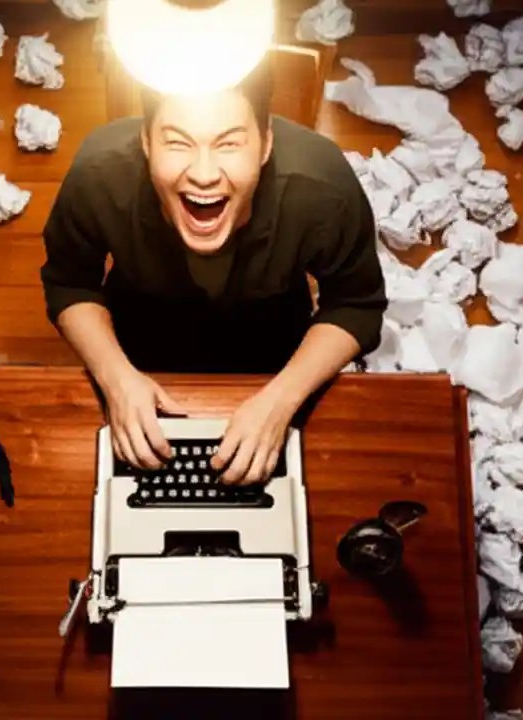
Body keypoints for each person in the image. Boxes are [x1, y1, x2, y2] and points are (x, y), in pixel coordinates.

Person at [40, 54, 386, 485]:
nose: (204, 175)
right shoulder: (99, 173)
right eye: (178, 143)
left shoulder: (322, 187)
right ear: (146, 142)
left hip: (275, 341)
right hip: (140, 335)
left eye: (229, 144)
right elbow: (70, 282)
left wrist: (281, 400)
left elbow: (356, 304)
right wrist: (117, 379)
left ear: (266, 144)